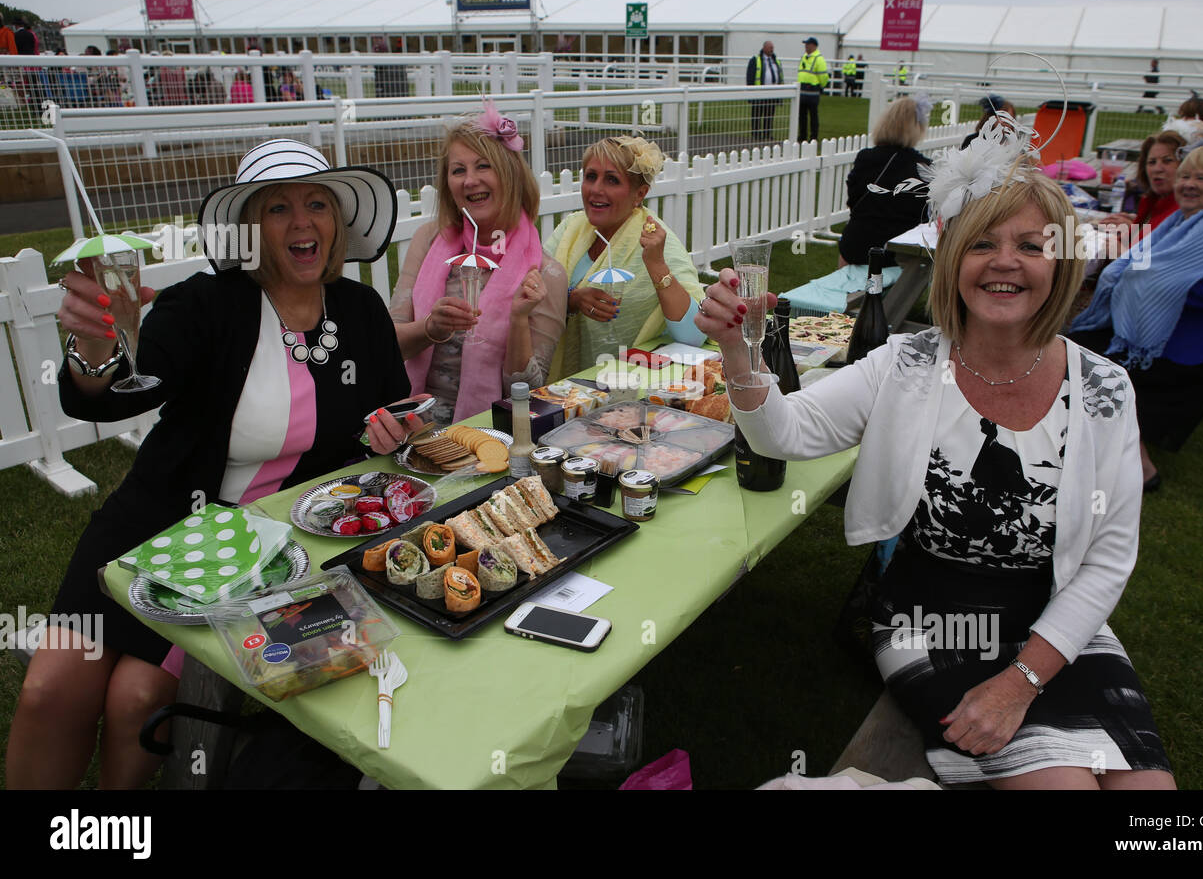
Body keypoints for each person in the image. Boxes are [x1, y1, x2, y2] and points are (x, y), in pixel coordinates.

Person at [696, 118, 1176, 789]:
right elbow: (785, 434)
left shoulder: (1104, 389)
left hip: (1056, 624)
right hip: (932, 620)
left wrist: (1023, 679)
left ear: (1060, 262)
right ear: (953, 260)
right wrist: (737, 350)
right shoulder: (908, 365)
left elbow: (1108, 557)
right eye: (982, 243)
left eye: (1030, 245)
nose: (1004, 261)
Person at [7, 139, 423, 789]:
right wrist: (95, 346)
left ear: (337, 221)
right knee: (48, 692)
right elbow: (120, 391)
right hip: (155, 528)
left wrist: (397, 428)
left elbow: (396, 408)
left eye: (317, 203)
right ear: (252, 228)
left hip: (265, 555)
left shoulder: (361, 312)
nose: (302, 222)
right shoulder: (207, 304)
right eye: (278, 207)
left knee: (136, 699)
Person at [1069, 137, 1203, 492]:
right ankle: (1091, 446)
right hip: (1157, 336)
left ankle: (1142, 470)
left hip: (1192, 355)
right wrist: (1148, 274)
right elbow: (1145, 265)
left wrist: (1155, 280)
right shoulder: (1186, 222)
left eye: (1202, 178)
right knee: (1073, 349)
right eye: (1185, 177)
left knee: (1090, 367)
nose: (1188, 184)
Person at [389, 101, 568, 423]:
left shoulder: (545, 272)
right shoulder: (429, 241)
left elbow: (527, 390)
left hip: (489, 435)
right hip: (411, 426)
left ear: (510, 175)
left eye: (483, 166)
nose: (470, 180)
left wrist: (517, 320)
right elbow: (387, 346)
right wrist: (430, 328)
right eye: (459, 170)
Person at [544, 136, 707, 380]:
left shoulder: (654, 238)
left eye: (612, 179)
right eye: (591, 176)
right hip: (565, 386)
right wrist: (572, 300)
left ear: (639, 193)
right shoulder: (571, 229)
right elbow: (532, 289)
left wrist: (656, 264)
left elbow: (694, 333)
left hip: (632, 382)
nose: (596, 189)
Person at [837, 95, 931, 268]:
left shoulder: (865, 158)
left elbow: (854, 200)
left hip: (856, 248)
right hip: (899, 254)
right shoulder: (924, 168)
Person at [1096, 129, 1185, 234]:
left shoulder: (1184, 210)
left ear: (1184, 164)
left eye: (1167, 161)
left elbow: (1156, 245)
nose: (1157, 168)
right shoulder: (1153, 201)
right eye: (1152, 162)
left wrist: (1133, 230)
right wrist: (1136, 222)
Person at [745, 40, 784, 143]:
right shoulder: (756, 60)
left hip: (772, 92)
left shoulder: (776, 61)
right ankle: (756, 133)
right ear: (764, 48)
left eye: (772, 48)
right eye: (770, 47)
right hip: (759, 92)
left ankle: (767, 133)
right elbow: (750, 76)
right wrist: (750, 91)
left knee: (769, 114)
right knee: (757, 113)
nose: (772, 50)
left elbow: (780, 75)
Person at [797, 37, 829, 144]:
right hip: (802, 91)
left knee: (813, 116)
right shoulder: (804, 57)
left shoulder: (819, 59)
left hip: (812, 92)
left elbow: (823, 77)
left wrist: (820, 87)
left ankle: (813, 137)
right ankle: (802, 136)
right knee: (802, 116)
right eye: (805, 44)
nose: (806, 46)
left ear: (814, 46)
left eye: (808, 44)